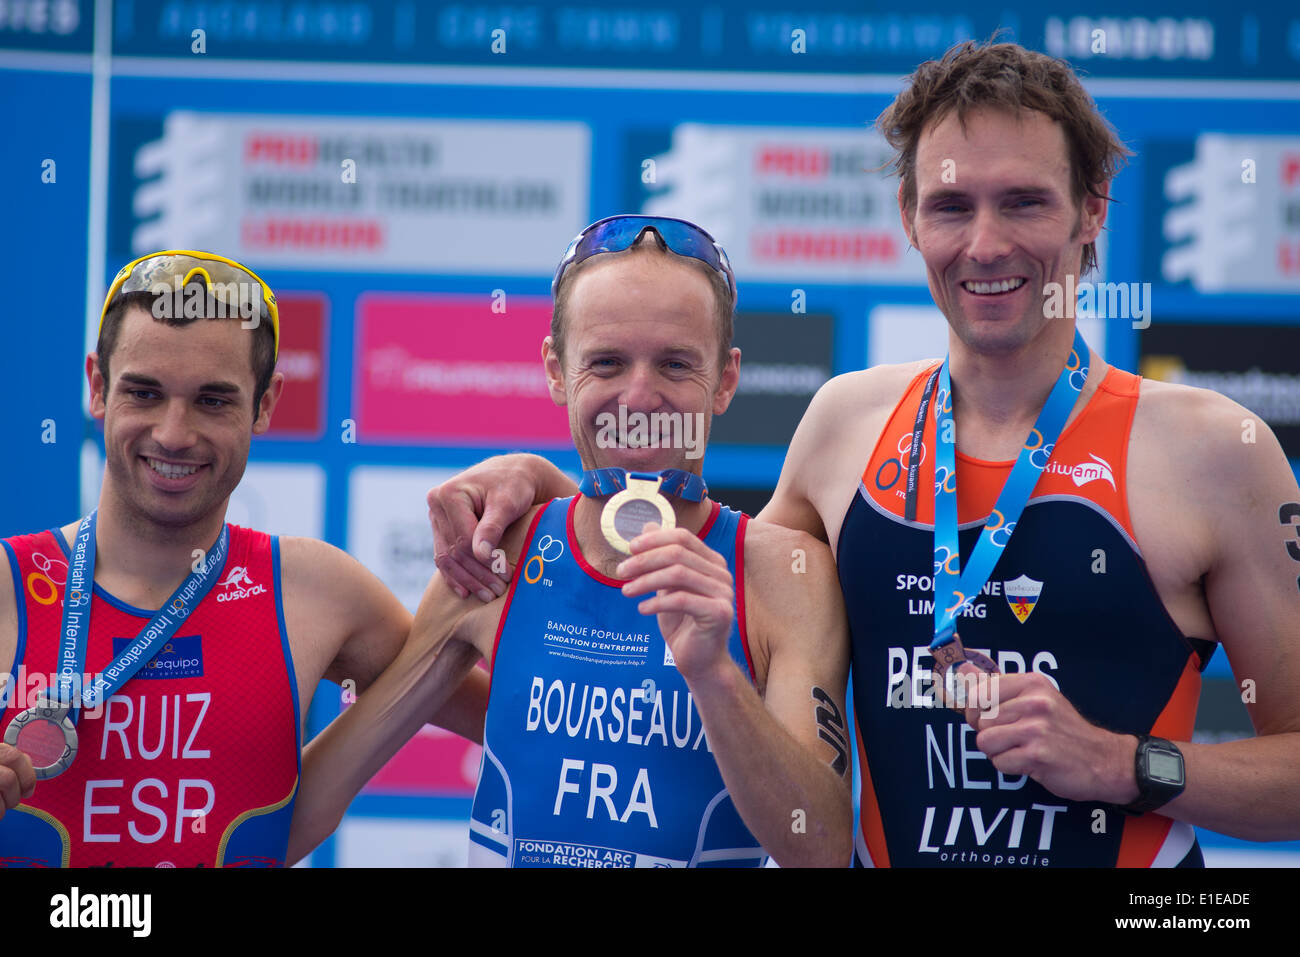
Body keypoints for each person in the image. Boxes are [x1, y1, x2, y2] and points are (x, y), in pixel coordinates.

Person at [426, 41, 1300, 868]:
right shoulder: (845, 425)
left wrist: (1122, 763)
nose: (986, 244)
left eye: (1025, 201)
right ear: (910, 220)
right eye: (952, 205)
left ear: (1093, 210)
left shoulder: (1215, 450)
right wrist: (546, 490)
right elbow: (706, 603)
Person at [287, 216, 852, 868]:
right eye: (607, 362)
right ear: (557, 370)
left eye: (674, 363)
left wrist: (715, 675)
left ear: (725, 381)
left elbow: (824, 849)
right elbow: (317, 799)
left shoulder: (785, 574)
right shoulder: (499, 553)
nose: (640, 395)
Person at [0, 250, 485, 867]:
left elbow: (533, 723)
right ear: (97, 387)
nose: (173, 433)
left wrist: (539, 482)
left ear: (264, 404)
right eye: (144, 393)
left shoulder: (317, 592)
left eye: (213, 401)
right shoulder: (6, 588)